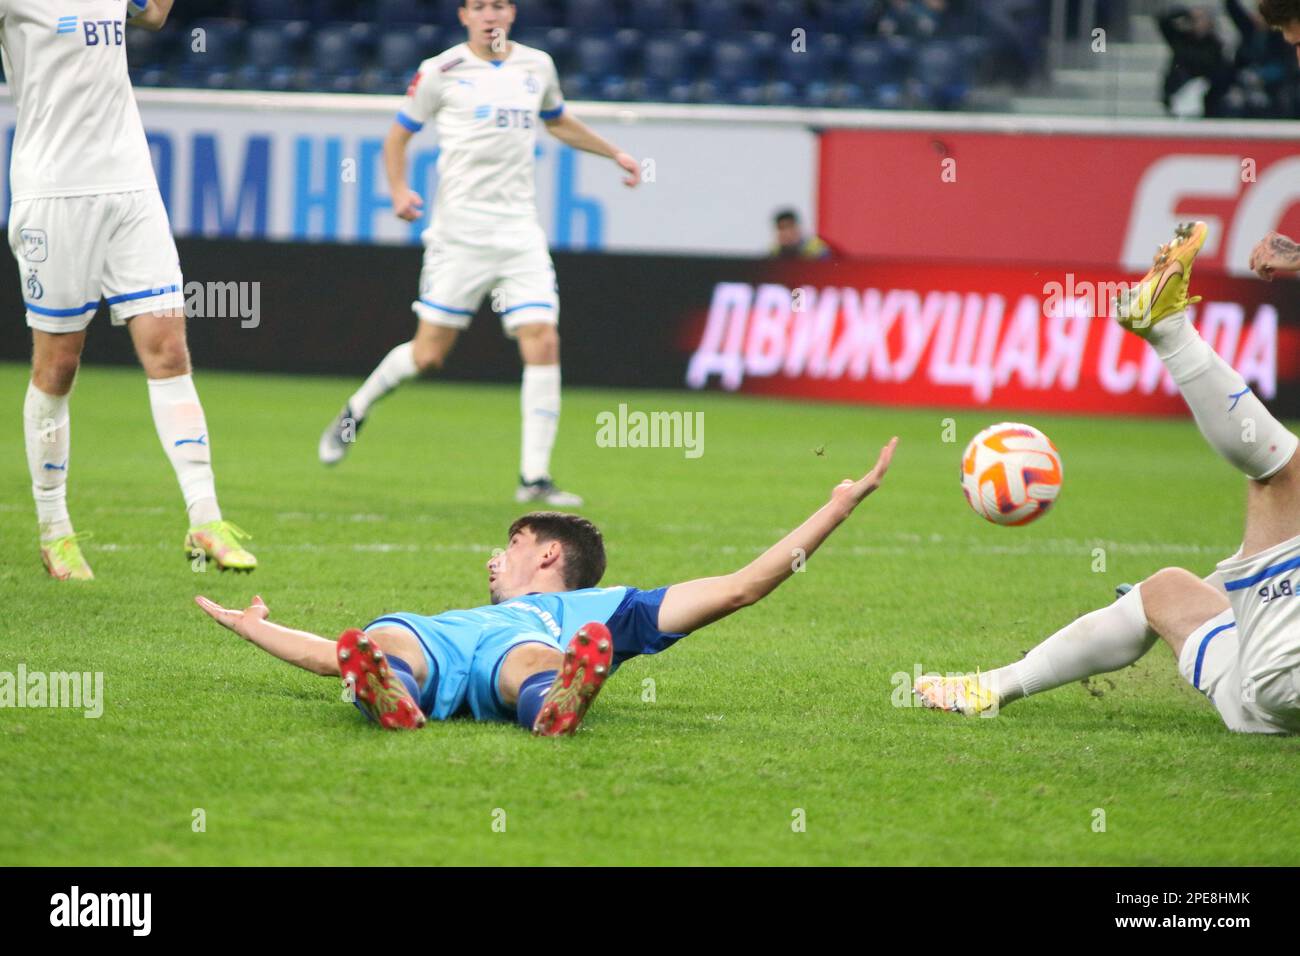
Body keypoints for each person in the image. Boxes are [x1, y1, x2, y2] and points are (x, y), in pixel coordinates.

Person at [195, 438, 898, 736]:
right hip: (435, 641)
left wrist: (837, 506)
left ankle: (553, 698)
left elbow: (743, 586)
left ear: (548, 554)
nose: (493, 559)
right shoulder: (455, 611)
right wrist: (255, 627)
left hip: (524, 650)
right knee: (386, 636)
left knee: (531, 655)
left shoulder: (605, 610)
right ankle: (393, 694)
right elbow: (331, 653)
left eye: (510, 544)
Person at [916, 221, 1300, 734]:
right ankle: (995, 684)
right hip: (1272, 680)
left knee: (1274, 482)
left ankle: (1168, 330)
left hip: (1259, 700)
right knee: (1184, 573)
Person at [318, 0, 640, 508]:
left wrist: (614, 152)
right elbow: (397, 138)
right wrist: (399, 191)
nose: (490, 15)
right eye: (479, 6)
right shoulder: (440, 71)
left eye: (499, 5)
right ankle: (357, 409)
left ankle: (534, 477)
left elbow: (557, 121)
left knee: (543, 339)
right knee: (428, 356)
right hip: (459, 236)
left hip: (519, 234)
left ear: (511, 13)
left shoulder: (537, 66)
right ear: (464, 15)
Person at [4, 0, 256, 580]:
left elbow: (155, 14)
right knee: (58, 364)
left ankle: (205, 518)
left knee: (168, 346)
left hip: (130, 185)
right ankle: (54, 529)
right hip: (53, 191)